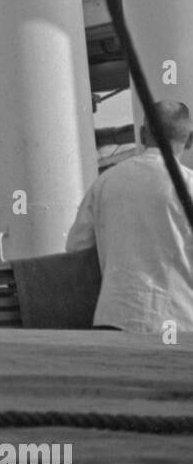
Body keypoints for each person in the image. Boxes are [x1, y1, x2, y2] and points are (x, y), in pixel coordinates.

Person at [66, 99, 193, 334]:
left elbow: (77, 249)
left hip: (115, 319)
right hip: (180, 323)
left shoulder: (105, 183)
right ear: (190, 140)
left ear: (143, 134)